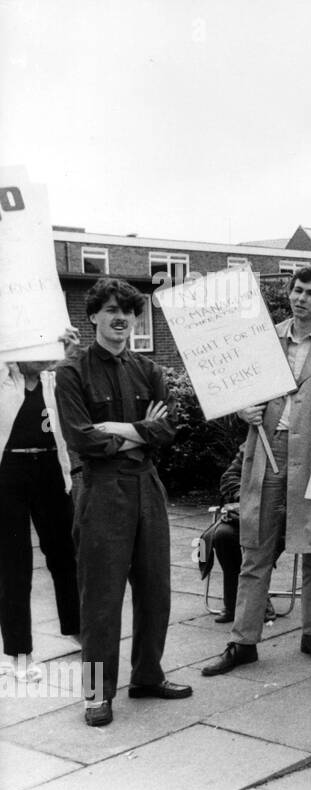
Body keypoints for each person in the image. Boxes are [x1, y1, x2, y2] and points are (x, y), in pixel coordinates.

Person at [201, 265, 311, 676]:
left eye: (310, 292)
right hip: (268, 453)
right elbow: (243, 390)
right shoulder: (266, 338)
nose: (300, 297)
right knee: (255, 549)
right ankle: (243, 642)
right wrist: (244, 408)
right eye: (296, 290)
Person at [55, 279, 190, 726]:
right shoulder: (72, 371)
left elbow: (167, 431)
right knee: (100, 598)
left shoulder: (149, 371)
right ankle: (96, 693)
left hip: (146, 488)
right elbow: (81, 437)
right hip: (102, 490)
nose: (121, 318)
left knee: (155, 591)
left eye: (129, 312)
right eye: (111, 310)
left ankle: (148, 676)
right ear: (93, 315)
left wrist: (116, 427)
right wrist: (139, 431)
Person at [1, 327, 81, 682]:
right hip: (9, 473)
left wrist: (71, 351)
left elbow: (81, 386)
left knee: (65, 556)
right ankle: (20, 653)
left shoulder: (54, 379)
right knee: (14, 564)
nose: (49, 353)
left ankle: (78, 629)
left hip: (49, 469)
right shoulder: (4, 378)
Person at [205, 446, 277, 625]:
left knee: (262, 542)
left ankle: (255, 599)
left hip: (279, 518)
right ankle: (233, 604)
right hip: (248, 514)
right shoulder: (255, 442)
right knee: (223, 536)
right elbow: (228, 478)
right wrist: (246, 496)